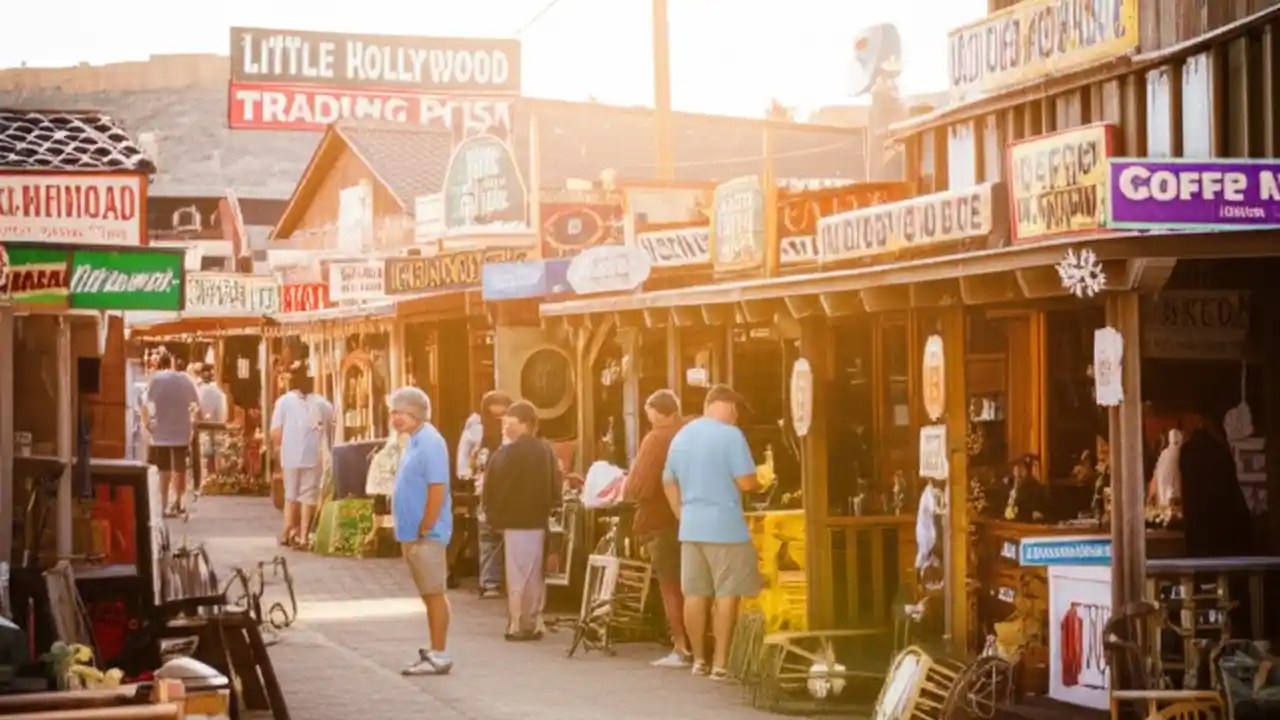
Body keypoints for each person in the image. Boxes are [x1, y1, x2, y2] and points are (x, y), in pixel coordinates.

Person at [663, 384, 762, 680]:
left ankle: (699, 661)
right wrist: (760, 481)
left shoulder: (682, 436)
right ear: (729, 407)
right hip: (726, 527)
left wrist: (681, 513)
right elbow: (746, 482)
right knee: (727, 595)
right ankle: (720, 664)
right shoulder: (731, 435)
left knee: (694, 594)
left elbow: (667, 479)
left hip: (691, 528)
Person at [388, 387, 455, 676]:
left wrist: (427, 525)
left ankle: (439, 653)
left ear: (416, 413)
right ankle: (434, 649)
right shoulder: (413, 441)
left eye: (401, 412)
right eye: (393, 411)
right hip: (413, 533)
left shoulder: (430, 441)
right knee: (427, 593)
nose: (396, 417)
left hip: (426, 533)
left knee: (434, 592)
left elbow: (437, 486)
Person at [482, 400, 562, 641]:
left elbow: (491, 488)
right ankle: (534, 621)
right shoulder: (546, 450)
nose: (506, 428)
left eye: (511, 423)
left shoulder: (504, 454)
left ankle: (518, 624)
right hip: (538, 520)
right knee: (535, 574)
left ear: (525, 424)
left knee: (517, 574)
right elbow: (554, 485)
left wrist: (493, 515)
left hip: (514, 521)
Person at [622, 389, 690, 668]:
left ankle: (680, 646)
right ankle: (698, 644)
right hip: (691, 519)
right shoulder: (688, 434)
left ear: (658, 412)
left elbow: (638, 486)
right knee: (693, 586)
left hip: (660, 521)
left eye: (649, 411)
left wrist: (626, 488)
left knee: (670, 586)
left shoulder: (656, 439)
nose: (647, 416)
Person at [270, 370, 334, 549]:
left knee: (290, 494)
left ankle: (287, 532)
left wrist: (281, 446)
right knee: (308, 495)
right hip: (313, 454)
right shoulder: (322, 403)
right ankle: (304, 536)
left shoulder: (283, 402)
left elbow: (275, 432)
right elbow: (332, 421)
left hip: (290, 455)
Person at [458, 391, 513, 598]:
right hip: (486, 486)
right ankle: (491, 581)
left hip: (508, 486)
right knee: (489, 534)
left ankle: (497, 581)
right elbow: (465, 457)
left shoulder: (508, 428)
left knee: (499, 534)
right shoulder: (476, 426)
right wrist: (468, 475)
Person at [141, 352, 199, 517]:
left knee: (164, 469)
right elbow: (195, 403)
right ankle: (179, 502)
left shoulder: (156, 380)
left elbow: (146, 404)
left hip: (161, 431)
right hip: (182, 430)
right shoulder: (186, 380)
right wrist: (194, 420)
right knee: (180, 468)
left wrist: (147, 424)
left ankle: (164, 503)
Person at [197, 366, 229, 480]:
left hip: (201, 427)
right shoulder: (219, 393)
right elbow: (223, 413)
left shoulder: (198, 391)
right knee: (217, 449)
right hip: (217, 425)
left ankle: (205, 477)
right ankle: (217, 475)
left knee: (204, 451)